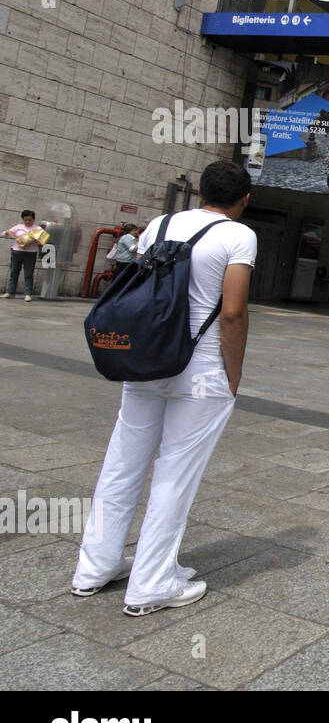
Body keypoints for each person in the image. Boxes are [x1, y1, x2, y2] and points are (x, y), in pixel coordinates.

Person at [70, 161, 257, 615]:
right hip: (201, 368)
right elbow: (232, 312)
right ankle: (152, 582)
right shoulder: (239, 235)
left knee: (123, 462)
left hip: (147, 358)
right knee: (175, 474)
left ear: (198, 191)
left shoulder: (161, 224)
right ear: (244, 199)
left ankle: (95, 568)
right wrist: (234, 374)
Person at [2, 209, 41, 301]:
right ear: (23, 219)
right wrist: (12, 235)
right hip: (17, 251)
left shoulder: (37, 229)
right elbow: (5, 233)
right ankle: (10, 292)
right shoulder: (18, 227)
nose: (28, 222)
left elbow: (43, 240)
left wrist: (35, 239)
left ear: (33, 219)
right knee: (14, 271)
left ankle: (28, 294)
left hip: (30, 253)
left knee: (28, 273)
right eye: (26, 220)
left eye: (30, 220)